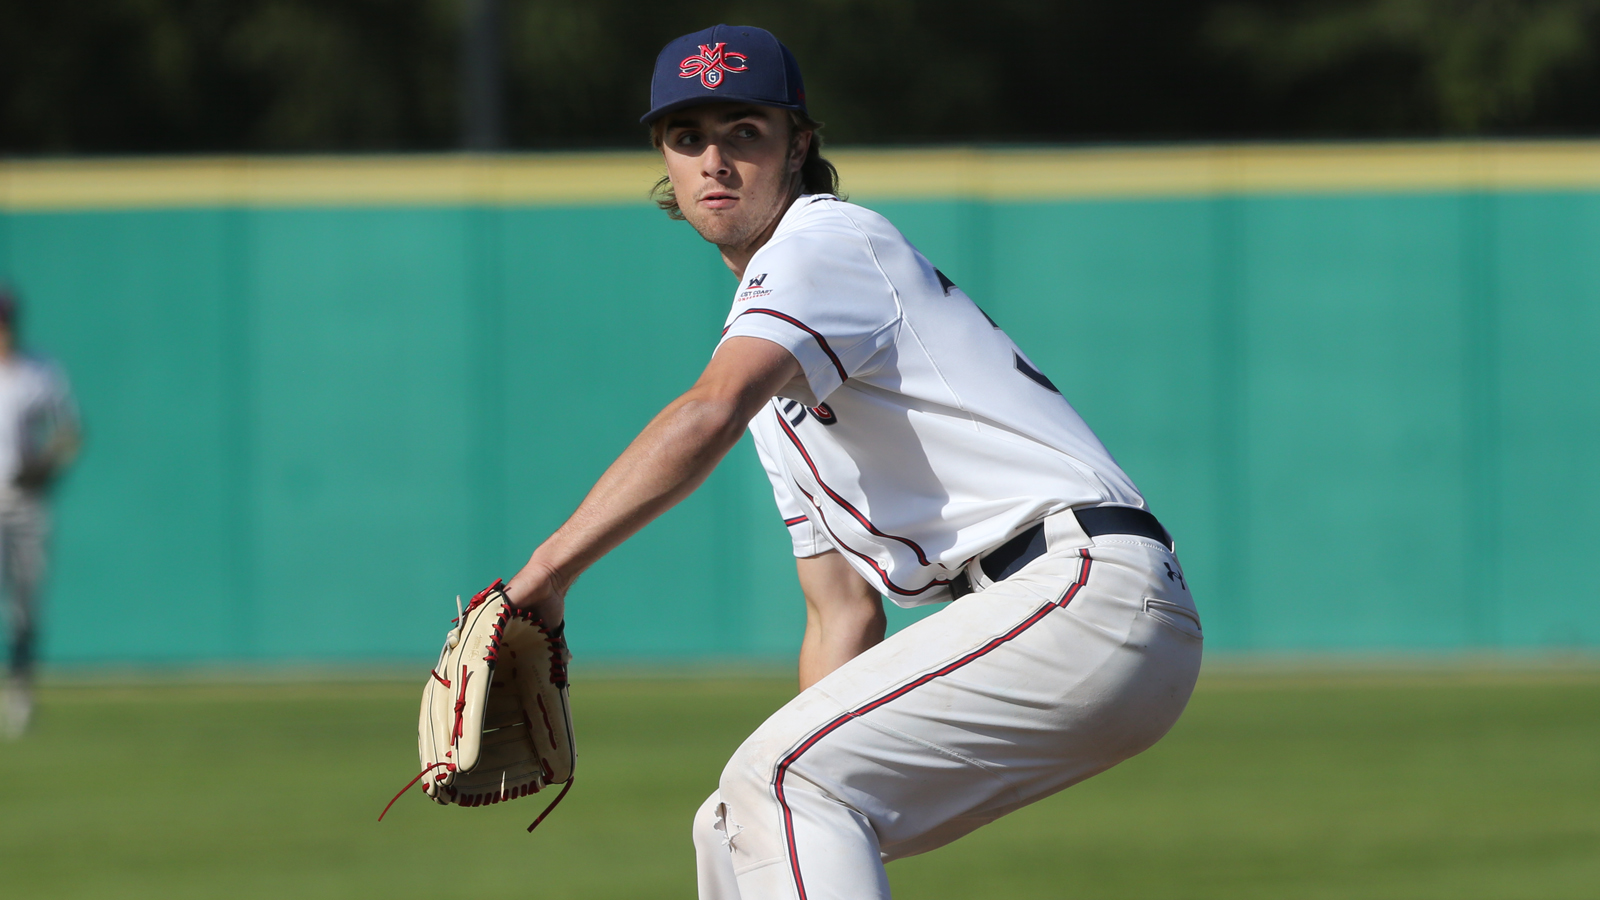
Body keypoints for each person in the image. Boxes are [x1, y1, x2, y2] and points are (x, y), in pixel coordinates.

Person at [499, 24, 1203, 898]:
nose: (715, 160)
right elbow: (841, 616)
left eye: (744, 133)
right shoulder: (779, 387)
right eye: (688, 139)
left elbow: (705, 411)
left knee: (782, 783)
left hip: (1079, 591)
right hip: (1068, 616)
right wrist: (791, 749)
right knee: (737, 816)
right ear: (666, 165)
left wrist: (545, 576)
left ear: (799, 145)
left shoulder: (823, 243)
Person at [0, 284, 79, 739]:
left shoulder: (39, 371)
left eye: (5, 321)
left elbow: (70, 431)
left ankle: (20, 691)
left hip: (26, 500)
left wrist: (46, 465)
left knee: (25, 606)